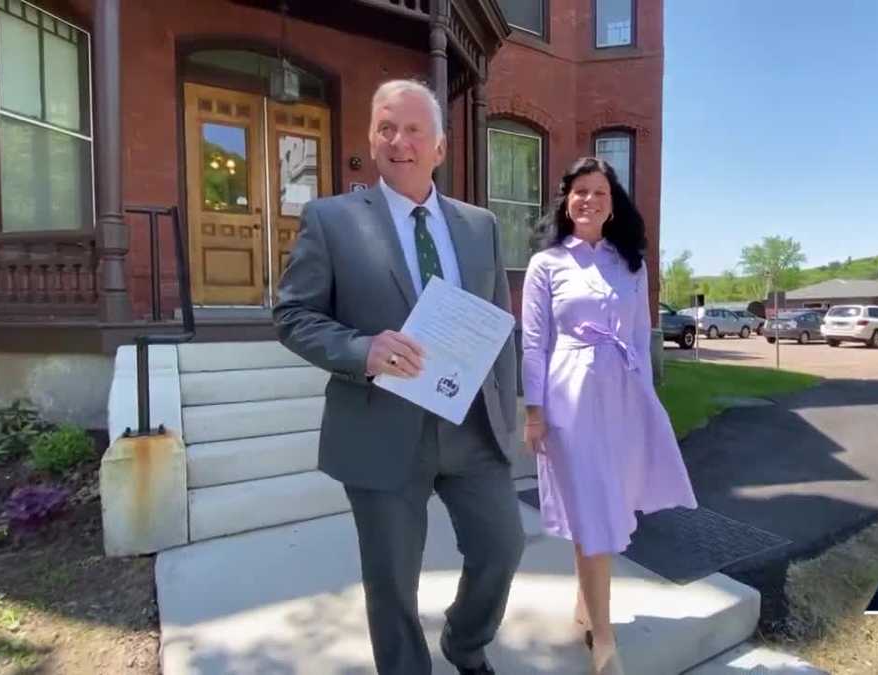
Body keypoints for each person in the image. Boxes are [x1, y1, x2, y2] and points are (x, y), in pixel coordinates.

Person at [274, 79, 523, 675]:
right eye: (386, 127)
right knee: (391, 584)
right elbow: (291, 314)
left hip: (469, 429)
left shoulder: (479, 225)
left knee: (502, 547)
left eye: (414, 129)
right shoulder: (331, 220)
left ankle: (465, 642)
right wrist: (361, 349)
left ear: (440, 146)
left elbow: (500, 327)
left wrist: (509, 418)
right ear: (370, 138)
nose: (399, 141)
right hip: (379, 429)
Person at [520, 157, 698, 675]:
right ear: (565, 199)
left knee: (608, 504)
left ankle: (585, 606)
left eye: (599, 192)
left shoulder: (631, 264)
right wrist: (535, 413)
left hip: (622, 395)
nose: (589, 201)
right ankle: (604, 639)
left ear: (612, 201)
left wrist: (646, 401)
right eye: (580, 192)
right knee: (592, 507)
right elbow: (534, 345)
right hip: (569, 397)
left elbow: (641, 336)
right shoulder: (546, 264)